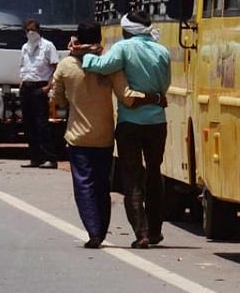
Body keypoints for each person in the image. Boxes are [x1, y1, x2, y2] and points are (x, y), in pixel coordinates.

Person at [51, 20, 165, 248]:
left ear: (76, 39)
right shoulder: (110, 65)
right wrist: (155, 98)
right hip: (104, 137)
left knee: (84, 184)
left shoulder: (65, 66)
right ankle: (102, 228)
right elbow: (127, 96)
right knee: (103, 184)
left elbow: (57, 99)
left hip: (77, 137)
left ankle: (95, 231)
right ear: (100, 39)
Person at [80, 9, 171, 248]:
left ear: (127, 30)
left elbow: (102, 66)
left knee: (132, 177)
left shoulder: (123, 48)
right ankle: (155, 231)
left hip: (130, 122)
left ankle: (141, 233)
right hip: (157, 122)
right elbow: (165, 84)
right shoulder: (162, 51)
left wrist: (85, 55)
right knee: (154, 173)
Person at [19, 18, 61, 169]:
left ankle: (50, 158)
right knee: (28, 124)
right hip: (26, 87)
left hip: (40, 87)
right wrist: (22, 82)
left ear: (38, 30)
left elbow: (55, 67)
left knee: (42, 124)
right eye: (28, 30)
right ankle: (35, 158)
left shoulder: (48, 46)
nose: (31, 33)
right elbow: (23, 66)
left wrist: (48, 86)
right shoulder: (25, 47)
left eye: (33, 30)